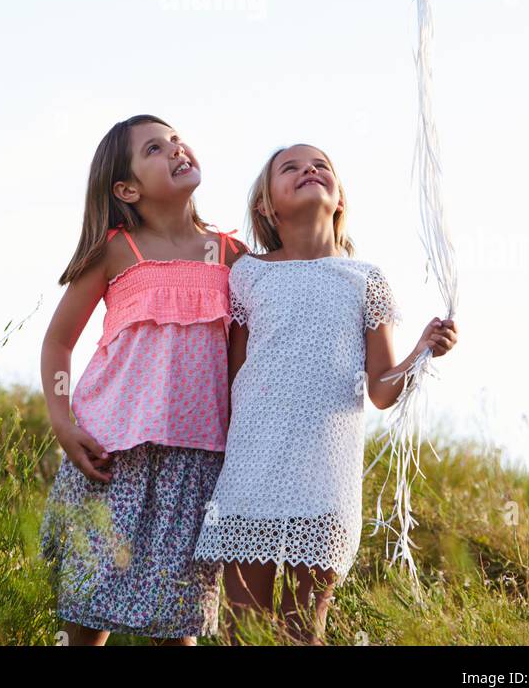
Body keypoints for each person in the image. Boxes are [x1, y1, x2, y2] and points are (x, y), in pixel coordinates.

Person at [193, 142, 458, 645]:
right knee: (240, 632)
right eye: (290, 167)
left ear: (339, 199)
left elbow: (381, 391)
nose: (308, 170)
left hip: (324, 481)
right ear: (266, 206)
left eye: (320, 166)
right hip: (251, 473)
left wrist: (422, 349)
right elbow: (232, 380)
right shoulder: (248, 274)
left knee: (301, 631)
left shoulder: (365, 279)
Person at [38, 113, 246, 646]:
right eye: (155, 148)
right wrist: (62, 423)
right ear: (127, 188)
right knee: (87, 615)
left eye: (177, 139)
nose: (177, 149)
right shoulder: (116, 250)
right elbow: (59, 343)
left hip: (198, 462)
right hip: (114, 454)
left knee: (179, 623)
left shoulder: (231, 255)